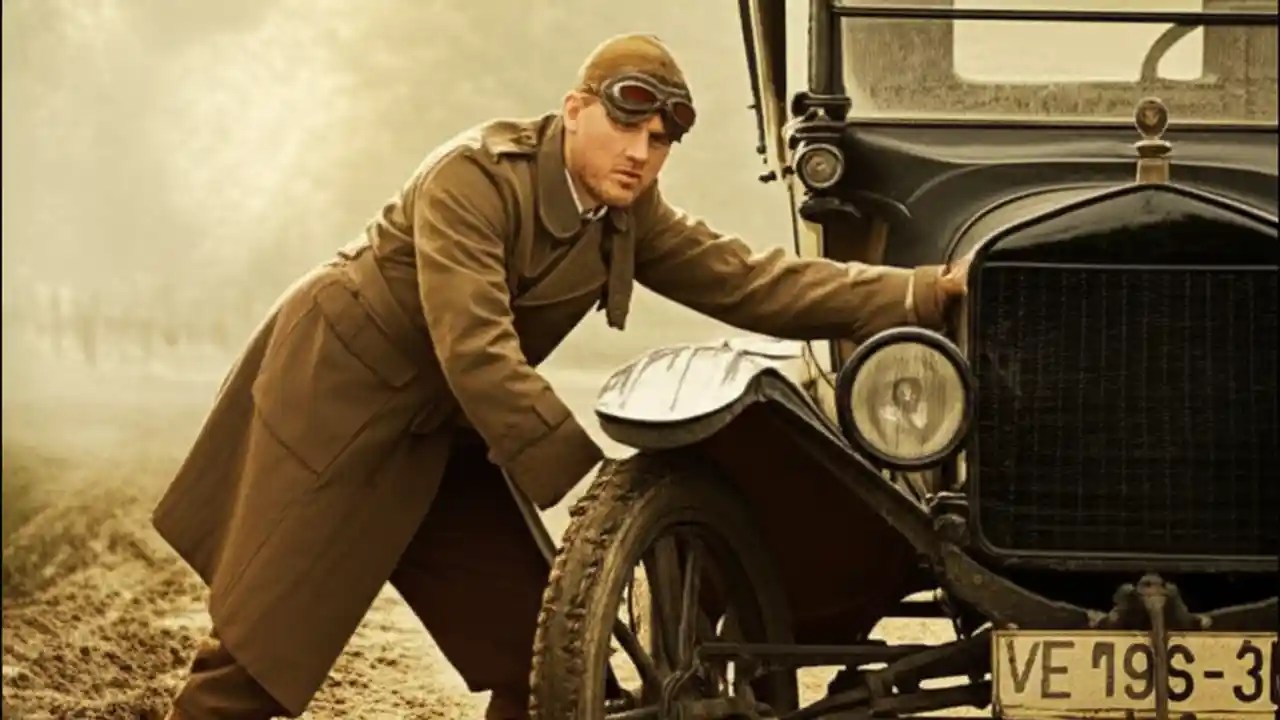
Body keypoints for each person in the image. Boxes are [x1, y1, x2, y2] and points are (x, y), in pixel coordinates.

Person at [153, 32, 969, 720]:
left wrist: (921, 291)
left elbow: (751, 281)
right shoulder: (471, 180)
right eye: (625, 128)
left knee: (537, 651)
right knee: (259, 656)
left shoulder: (625, 210)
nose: (641, 154)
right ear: (574, 111)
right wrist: (591, 483)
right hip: (340, 399)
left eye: (659, 143)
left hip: (443, 431)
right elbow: (474, 347)